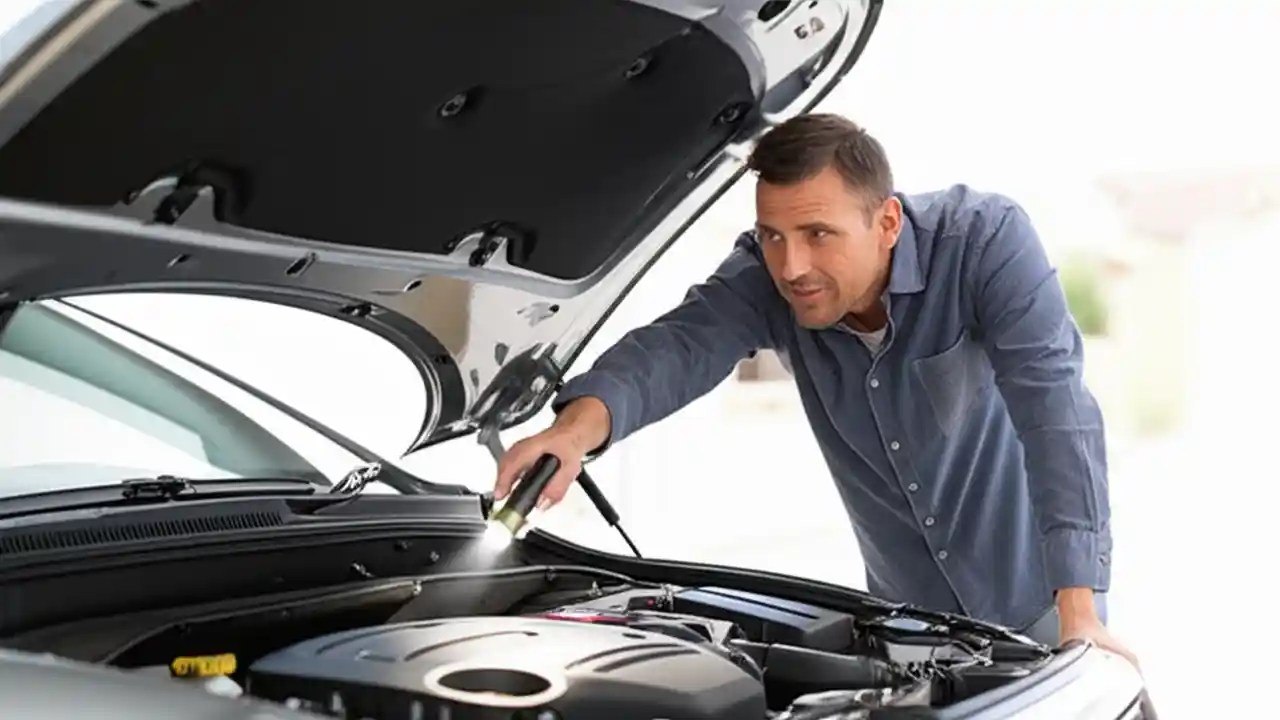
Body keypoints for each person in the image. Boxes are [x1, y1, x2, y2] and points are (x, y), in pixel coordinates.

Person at [494, 113, 1137, 667]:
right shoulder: (766, 280)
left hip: (1045, 612)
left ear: (886, 222)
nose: (791, 266)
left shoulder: (983, 243)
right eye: (772, 235)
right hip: (903, 632)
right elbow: (677, 347)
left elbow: (1055, 410)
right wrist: (569, 434)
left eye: (817, 235)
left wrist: (1079, 609)